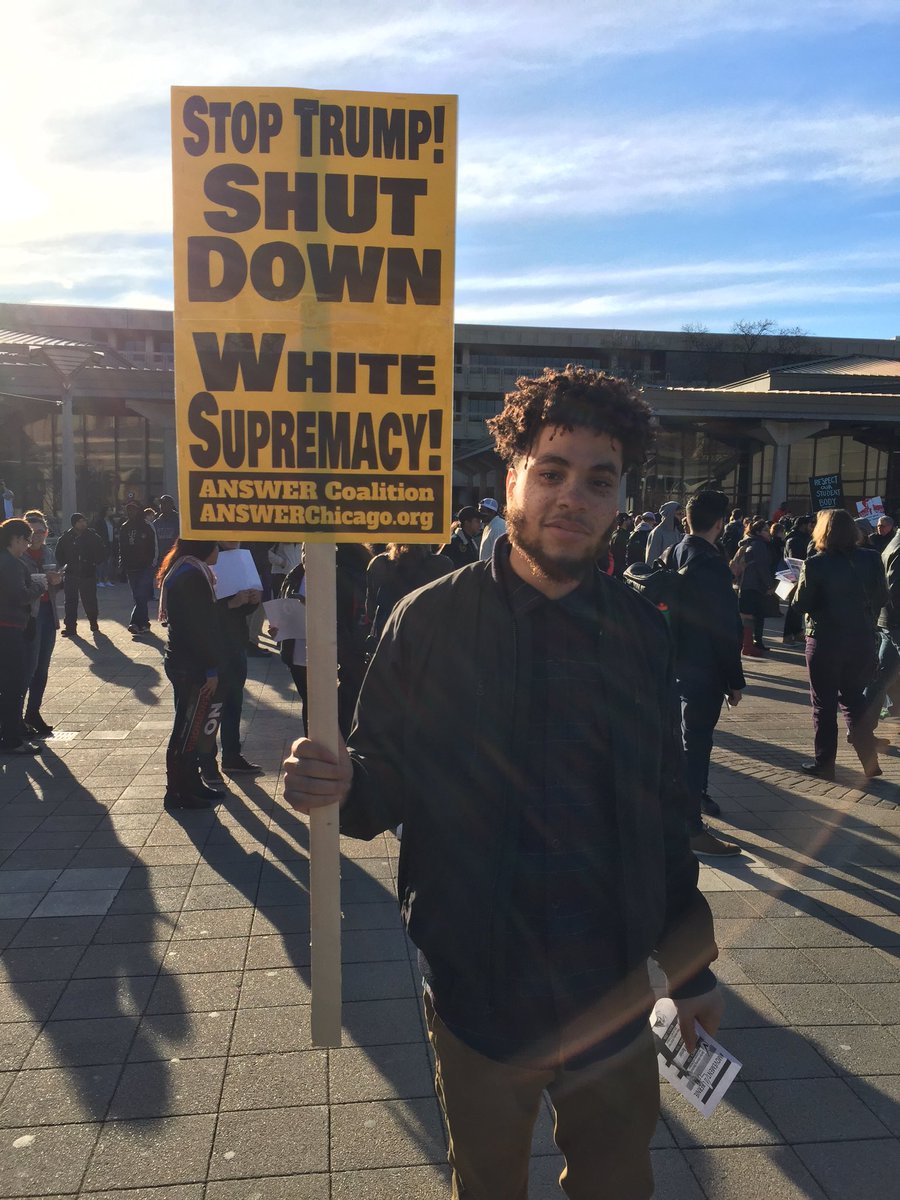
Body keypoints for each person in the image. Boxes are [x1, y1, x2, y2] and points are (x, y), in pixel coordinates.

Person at [283, 365, 721, 1200]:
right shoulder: (434, 621)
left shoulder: (637, 629)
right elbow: (382, 789)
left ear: (623, 495)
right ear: (510, 477)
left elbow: (663, 811)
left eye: (600, 479)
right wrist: (333, 783)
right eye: (551, 471)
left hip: (614, 993)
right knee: (487, 1184)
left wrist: (691, 967)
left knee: (620, 1183)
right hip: (480, 996)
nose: (573, 497)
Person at [671, 491, 743, 858]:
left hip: (676, 663)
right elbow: (724, 628)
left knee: (682, 741)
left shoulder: (677, 551)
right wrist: (734, 679)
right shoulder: (712, 563)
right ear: (720, 523)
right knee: (696, 745)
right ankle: (689, 828)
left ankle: (678, 816)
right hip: (704, 668)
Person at [794, 508, 888, 780]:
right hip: (860, 639)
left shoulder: (815, 563)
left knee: (823, 704)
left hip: (825, 640)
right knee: (853, 698)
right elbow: (881, 597)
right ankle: (869, 761)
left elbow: (803, 604)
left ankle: (825, 763)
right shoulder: (871, 559)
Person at [157, 538, 224, 809]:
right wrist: (210, 668)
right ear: (204, 547)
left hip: (182, 660)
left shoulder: (185, 569)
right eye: (216, 545)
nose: (219, 551)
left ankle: (191, 783)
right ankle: (178, 790)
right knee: (187, 730)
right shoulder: (192, 576)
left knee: (190, 729)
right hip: (190, 665)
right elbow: (199, 629)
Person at [0, 518, 49, 755]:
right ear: (16, 539)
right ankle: (11, 738)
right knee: (13, 684)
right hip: (9, 628)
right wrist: (41, 586)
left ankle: (9, 733)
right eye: (26, 540)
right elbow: (19, 596)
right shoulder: (12, 564)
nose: (27, 546)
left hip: (6, 627)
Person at [365, 543, 453, 648]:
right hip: (428, 646)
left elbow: (370, 611)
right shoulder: (442, 565)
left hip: (390, 643)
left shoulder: (379, 564)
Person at [22, 511, 62, 737]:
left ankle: (33, 712)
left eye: (40, 532)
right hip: (30, 614)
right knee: (29, 665)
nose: (37, 536)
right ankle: (17, 717)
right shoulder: (19, 554)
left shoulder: (48, 551)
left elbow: (54, 580)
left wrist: (57, 579)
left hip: (48, 611)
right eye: (32, 532)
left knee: (43, 666)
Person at [54, 513, 106, 636]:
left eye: (84, 521)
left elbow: (102, 550)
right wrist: (65, 565)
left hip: (87, 573)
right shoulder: (66, 537)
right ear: (74, 523)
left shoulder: (92, 536)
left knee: (90, 600)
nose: (83, 524)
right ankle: (70, 627)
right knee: (70, 601)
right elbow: (59, 553)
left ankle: (93, 622)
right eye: (80, 521)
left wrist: (94, 562)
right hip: (71, 574)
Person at [731, 518, 775, 657]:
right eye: (766, 531)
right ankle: (748, 646)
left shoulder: (749, 542)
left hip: (745, 584)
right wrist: (769, 585)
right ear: (758, 532)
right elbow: (762, 567)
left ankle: (750, 645)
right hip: (753, 585)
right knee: (750, 616)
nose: (769, 533)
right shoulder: (759, 545)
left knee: (748, 616)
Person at [118, 501, 158, 635]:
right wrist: (121, 565)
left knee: (141, 594)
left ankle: (134, 623)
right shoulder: (124, 527)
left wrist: (153, 562)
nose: (130, 512)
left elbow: (154, 545)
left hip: (145, 567)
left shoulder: (147, 526)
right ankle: (144, 623)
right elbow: (121, 548)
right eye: (128, 510)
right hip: (131, 567)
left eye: (133, 509)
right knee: (138, 597)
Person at [782, 514, 813, 645]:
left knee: (798, 605)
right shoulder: (793, 540)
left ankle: (797, 632)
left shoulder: (803, 538)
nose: (812, 527)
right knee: (793, 606)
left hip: (800, 575)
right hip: (794, 576)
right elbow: (794, 560)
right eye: (810, 525)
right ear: (803, 525)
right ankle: (788, 634)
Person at [152, 495, 180, 564]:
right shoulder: (156, 523)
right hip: (160, 560)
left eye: (165, 503)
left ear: (171, 505)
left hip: (175, 559)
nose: (162, 506)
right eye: (161, 504)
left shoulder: (179, 520)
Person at [477, 497, 507, 562]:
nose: (479, 514)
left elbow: (499, 556)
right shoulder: (489, 525)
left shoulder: (498, 527)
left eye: (482, 511)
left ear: (492, 512)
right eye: (479, 511)